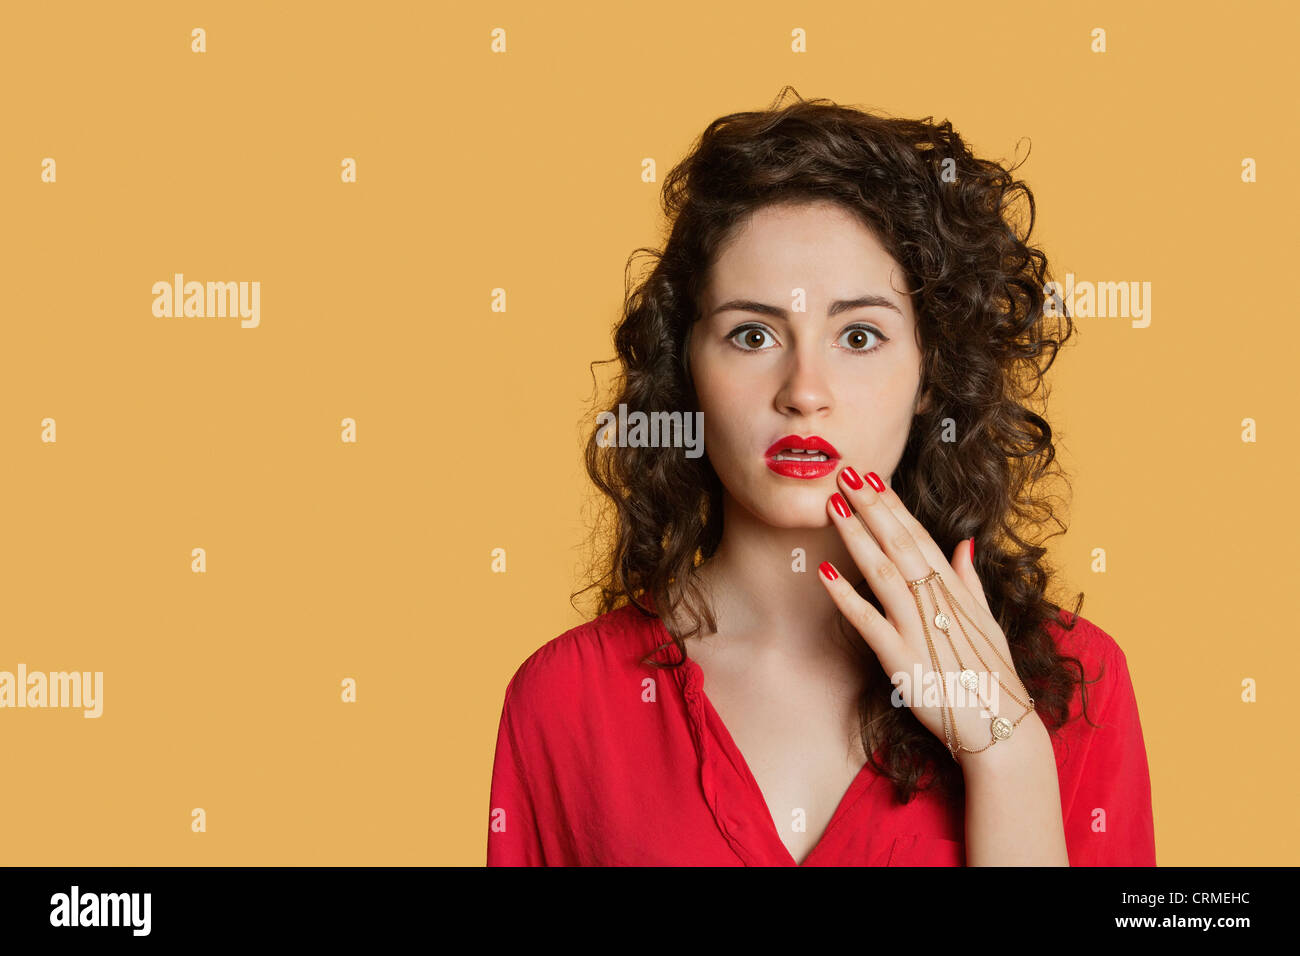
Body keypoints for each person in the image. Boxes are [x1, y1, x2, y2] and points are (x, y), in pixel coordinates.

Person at [486, 88, 1156, 866]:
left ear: (929, 373)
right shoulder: (564, 703)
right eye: (752, 333)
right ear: (687, 366)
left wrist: (1008, 758)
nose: (804, 389)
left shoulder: (1079, 687)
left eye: (860, 335)